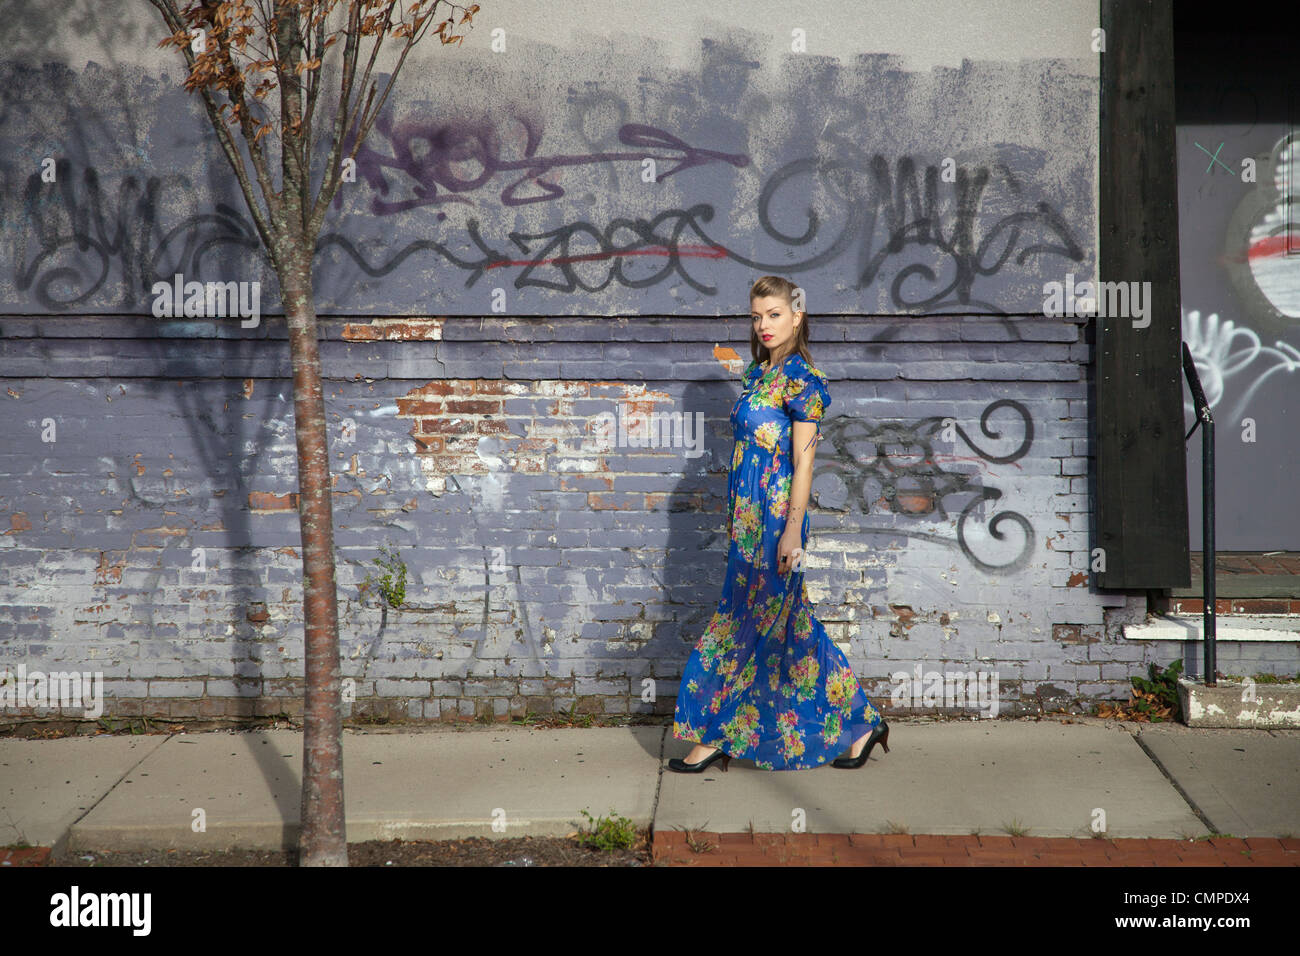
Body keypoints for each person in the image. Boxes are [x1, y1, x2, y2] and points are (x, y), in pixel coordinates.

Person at [668, 275, 889, 772]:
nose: (763, 324)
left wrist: (792, 531)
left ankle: (714, 736)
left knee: (747, 626)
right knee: (788, 625)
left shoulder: (802, 380)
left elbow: (805, 464)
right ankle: (863, 722)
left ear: (797, 316)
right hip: (746, 524)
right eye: (756, 315)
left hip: (776, 523)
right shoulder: (757, 374)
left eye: (773, 314)